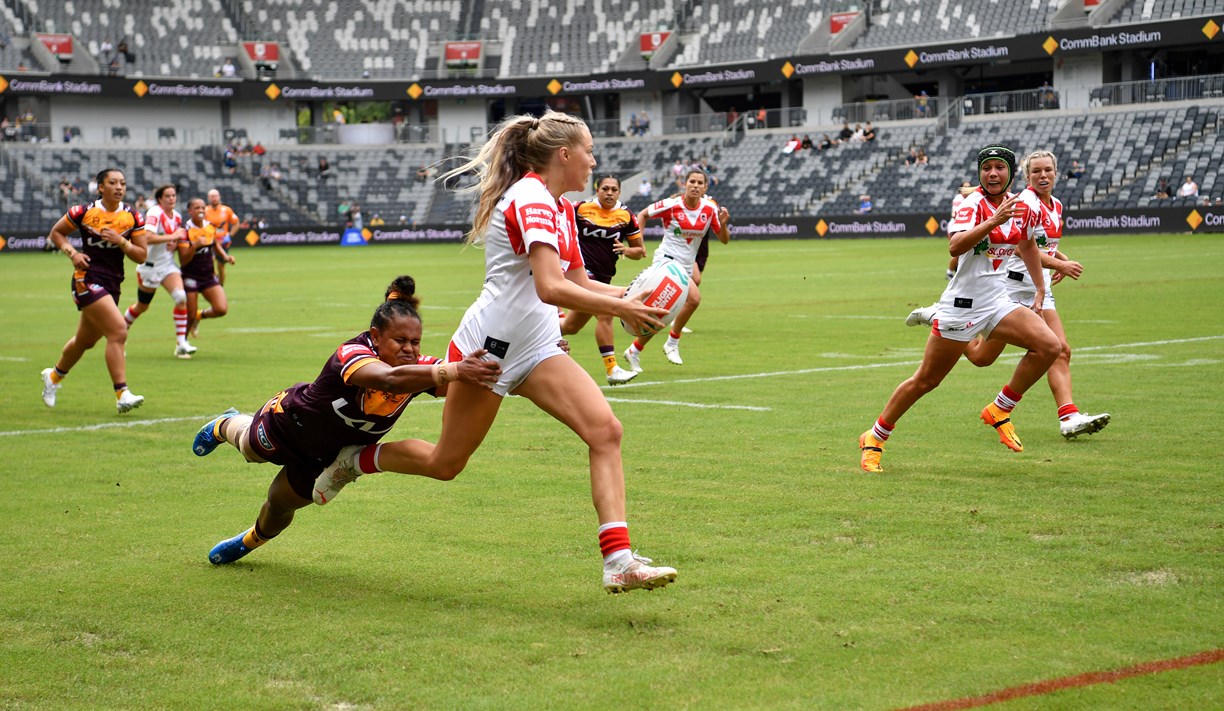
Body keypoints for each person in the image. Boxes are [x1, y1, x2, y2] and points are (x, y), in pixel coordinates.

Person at [312, 111, 677, 594]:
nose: (594, 161)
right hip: (488, 352)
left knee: (606, 431)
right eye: (589, 151)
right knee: (446, 463)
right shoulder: (530, 199)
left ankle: (618, 561)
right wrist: (625, 307)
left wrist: (630, 296)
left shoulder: (561, 206)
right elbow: (550, 288)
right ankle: (354, 461)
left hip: (538, 348)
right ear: (564, 154)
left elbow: (577, 281)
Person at [197, 276, 503, 564]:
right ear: (376, 337)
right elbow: (389, 379)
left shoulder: (419, 369)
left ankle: (249, 541)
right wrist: (453, 370)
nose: (409, 349)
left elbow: (459, 387)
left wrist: (495, 369)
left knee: (279, 503)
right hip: (291, 425)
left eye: (415, 342)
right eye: (400, 340)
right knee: (250, 448)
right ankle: (224, 424)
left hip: (326, 456)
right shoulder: (353, 352)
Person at [859, 145, 1061, 473]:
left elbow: (1026, 245)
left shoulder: (1023, 205)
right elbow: (954, 246)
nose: (992, 173)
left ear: (1011, 173)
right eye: (986, 168)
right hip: (962, 305)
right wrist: (993, 221)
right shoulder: (972, 204)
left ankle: (1000, 409)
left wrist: (1040, 287)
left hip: (998, 300)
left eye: (999, 167)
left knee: (1050, 346)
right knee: (926, 381)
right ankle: (875, 436)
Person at [960, 150, 1111, 440]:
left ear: (1056, 173)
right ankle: (945, 320)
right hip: (1014, 287)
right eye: (1037, 171)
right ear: (1027, 176)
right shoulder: (1026, 203)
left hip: (1039, 288)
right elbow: (1020, 246)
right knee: (983, 357)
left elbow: (1043, 242)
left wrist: (1059, 258)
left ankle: (1068, 417)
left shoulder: (1056, 204)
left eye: (1048, 170)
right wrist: (1059, 265)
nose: (1043, 176)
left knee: (1060, 349)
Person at [40, 168, 149, 414]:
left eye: (123, 183)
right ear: (101, 187)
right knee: (118, 330)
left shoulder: (133, 216)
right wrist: (73, 253)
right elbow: (56, 233)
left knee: (85, 341)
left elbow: (142, 255)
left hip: (113, 283)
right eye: (113, 183)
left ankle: (53, 377)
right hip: (86, 279)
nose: (119, 187)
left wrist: (122, 241)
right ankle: (122, 394)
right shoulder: (83, 212)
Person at [624, 169, 729, 370]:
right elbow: (643, 214)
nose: (695, 186)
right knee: (694, 299)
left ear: (705, 187)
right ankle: (672, 342)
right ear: (684, 184)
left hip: (686, 265)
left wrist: (723, 225)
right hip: (667, 261)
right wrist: (639, 243)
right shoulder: (671, 205)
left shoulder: (709, 208)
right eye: (692, 181)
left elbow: (724, 240)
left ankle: (635, 350)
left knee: (662, 312)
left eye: (700, 183)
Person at [560, 175, 646, 385]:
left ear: (619, 192)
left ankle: (531, 332)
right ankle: (612, 369)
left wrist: (626, 249)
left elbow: (639, 251)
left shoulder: (626, 216)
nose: (609, 193)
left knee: (570, 326)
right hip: (580, 274)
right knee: (606, 312)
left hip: (603, 278)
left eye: (613, 190)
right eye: (605, 188)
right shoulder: (580, 209)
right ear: (597, 190)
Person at [121, 184, 196, 358]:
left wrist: (175, 243)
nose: (172, 199)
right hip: (150, 267)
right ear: (160, 199)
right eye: (167, 196)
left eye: (173, 195)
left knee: (181, 297)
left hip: (167, 265)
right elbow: (146, 237)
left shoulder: (177, 216)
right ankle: (120, 332)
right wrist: (172, 237)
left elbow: (175, 238)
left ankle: (181, 344)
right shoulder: (155, 213)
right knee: (142, 306)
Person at [179, 197, 234, 343]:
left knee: (221, 309)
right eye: (197, 208)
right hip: (191, 276)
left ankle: (199, 316)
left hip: (208, 275)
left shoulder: (209, 226)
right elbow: (183, 260)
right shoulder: (185, 230)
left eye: (203, 207)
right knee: (189, 315)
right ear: (190, 211)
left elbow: (214, 243)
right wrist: (195, 246)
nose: (201, 210)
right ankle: (181, 344)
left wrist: (225, 256)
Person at [203, 189, 239, 286]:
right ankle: (213, 281)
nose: (214, 198)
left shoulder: (226, 210)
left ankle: (220, 287)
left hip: (223, 242)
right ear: (208, 198)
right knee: (210, 262)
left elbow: (236, 223)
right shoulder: (205, 210)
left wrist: (230, 235)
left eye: (216, 196)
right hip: (210, 241)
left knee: (221, 267)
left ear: (219, 197)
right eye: (212, 196)